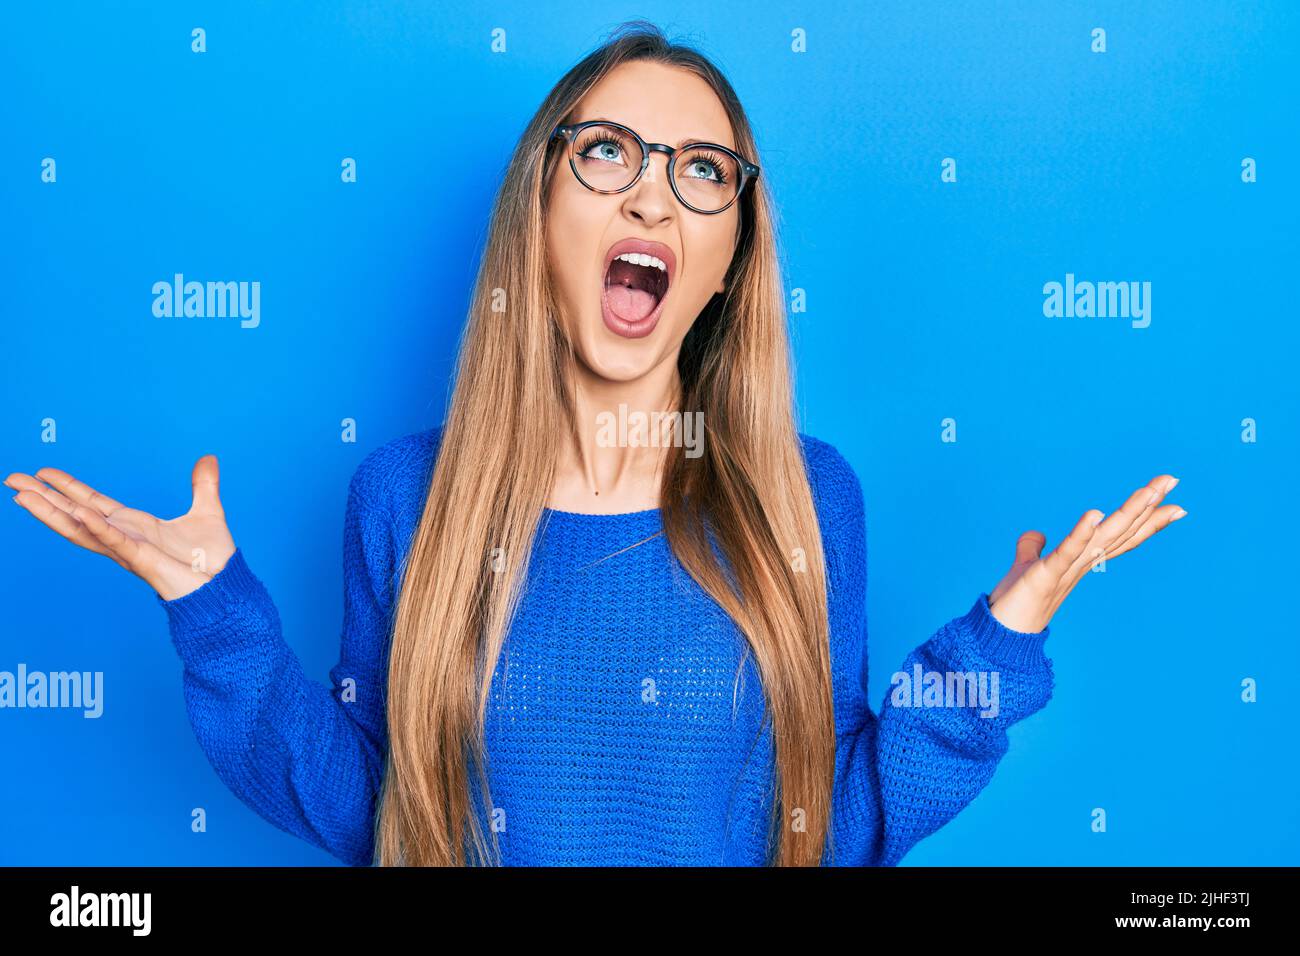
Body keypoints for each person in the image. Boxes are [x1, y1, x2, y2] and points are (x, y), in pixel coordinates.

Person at [5, 21, 1184, 867]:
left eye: (702, 172)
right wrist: (216, 615)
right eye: (608, 153)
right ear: (541, 206)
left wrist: (994, 650)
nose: (653, 201)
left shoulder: (805, 498)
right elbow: (376, 808)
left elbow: (835, 821)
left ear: (728, 260)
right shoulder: (406, 498)